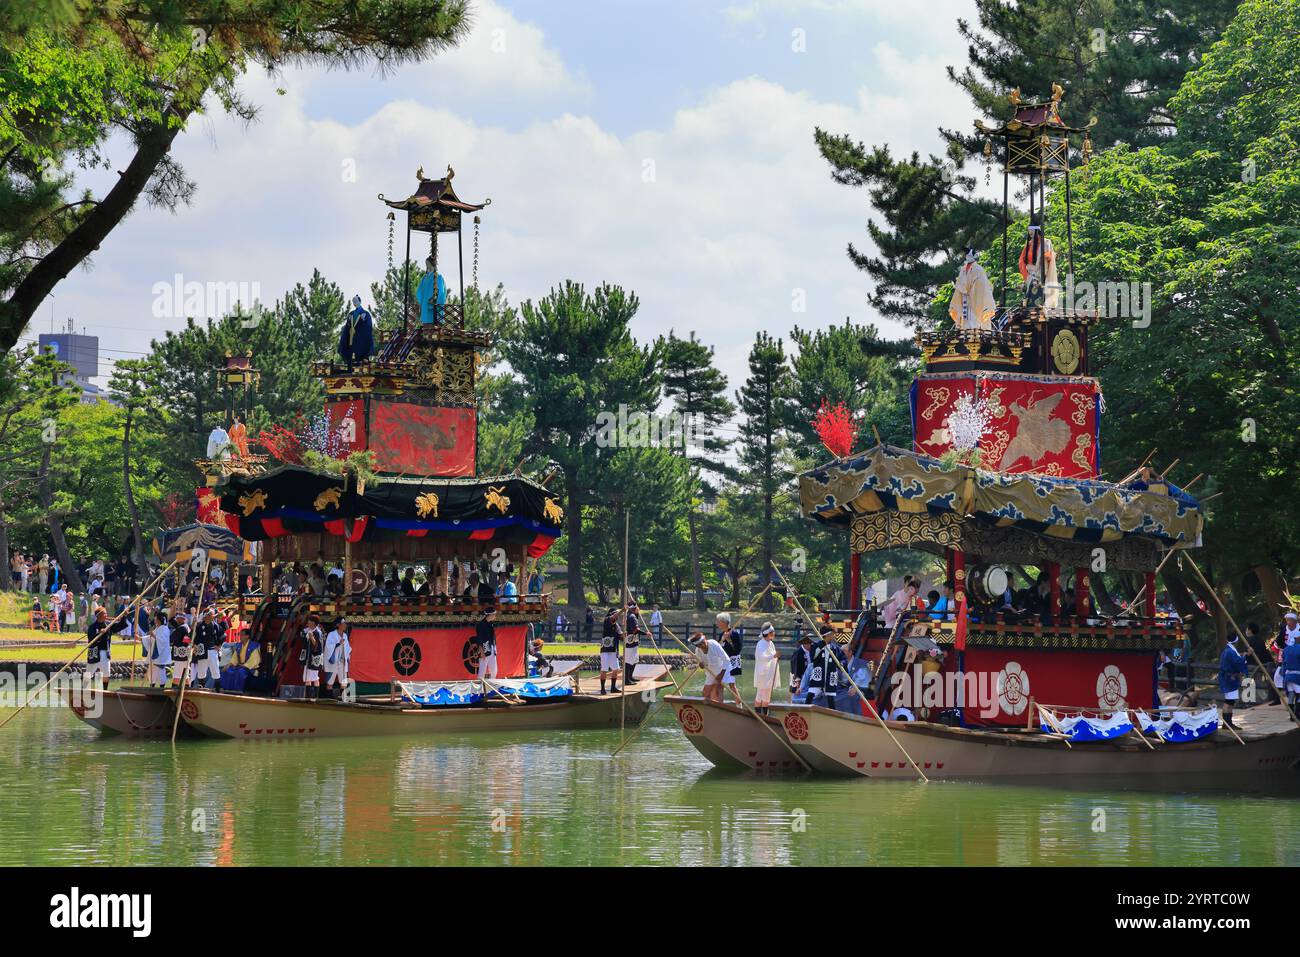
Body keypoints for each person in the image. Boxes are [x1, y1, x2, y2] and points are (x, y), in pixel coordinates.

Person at [85, 607, 127, 689]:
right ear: (99, 615)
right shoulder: (92, 627)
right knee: (89, 673)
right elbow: (90, 640)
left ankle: (105, 690)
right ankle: (84, 689)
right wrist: (99, 634)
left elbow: (120, 626)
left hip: (105, 653)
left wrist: (124, 616)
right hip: (94, 653)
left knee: (106, 673)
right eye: (105, 613)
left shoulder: (108, 624)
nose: (106, 615)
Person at [690, 631, 735, 705]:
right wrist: (701, 665)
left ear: (705, 639)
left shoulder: (714, 644)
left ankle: (720, 710)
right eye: (700, 645)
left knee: (717, 690)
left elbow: (727, 660)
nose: (703, 645)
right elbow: (703, 665)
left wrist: (721, 675)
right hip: (711, 672)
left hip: (723, 668)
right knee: (705, 692)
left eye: (703, 642)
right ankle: (709, 709)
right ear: (697, 646)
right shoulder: (698, 651)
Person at [1217, 633, 1249, 728]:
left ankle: (1228, 723)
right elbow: (1237, 662)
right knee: (1229, 701)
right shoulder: (1230, 652)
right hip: (1229, 679)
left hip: (1229, 678)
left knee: (1230, 701)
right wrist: (1246, 656)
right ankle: (1227, 724)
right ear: (1236, 641)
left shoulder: (1229, 650)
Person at [192, 607, 224, 690]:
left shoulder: (215, 625)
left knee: (215, 670)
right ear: (207, 616)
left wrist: (219, 645)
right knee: (201, 670)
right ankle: (200, 687)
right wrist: (193, 624)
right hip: (202, 651)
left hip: (212, 650)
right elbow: (192, 636)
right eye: (211, 614)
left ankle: (218, 689)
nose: (213, 615)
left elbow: (222, 636)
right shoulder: (199, 626)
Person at [753, 622, 781, 714]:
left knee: (767, 697)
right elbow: (762, 657)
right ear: (768, 633)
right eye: (772, 632)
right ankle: (757, 715)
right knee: (760, 695)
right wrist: (774, 655)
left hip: (770, 673)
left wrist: (776, 657)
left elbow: (773, 656)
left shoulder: (771, 643)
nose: (774, 634)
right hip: (763, 674)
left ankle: (765, 715)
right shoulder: (760, 643)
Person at [323, 617, 351, 699]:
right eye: (343, 623)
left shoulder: (345, 635)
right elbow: (328, 647)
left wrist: (348, 656)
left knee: (343, 682)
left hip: (342, 662)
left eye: (345, 623)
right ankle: (328, 699)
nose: (345, 625)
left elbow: (348, 648)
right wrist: (338, 644)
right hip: (333, 662)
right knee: (330, 682)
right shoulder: (331, 634)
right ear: (338, 625)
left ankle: (343, 699)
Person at [599, 606, 622, 695]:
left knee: (615, 669)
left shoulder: (617, 626)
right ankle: (602, 688)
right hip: (605, 649)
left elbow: (620, 636)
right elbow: (613, 617)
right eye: (615, 615)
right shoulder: (607, 620)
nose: (617, 617)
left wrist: (623, 635)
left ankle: (613, 687)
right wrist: (623, 610)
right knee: (604, 669)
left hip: (613, 649)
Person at [300, 614, 325, 699]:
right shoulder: (308, 630)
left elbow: (316, 645)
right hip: (308, 657)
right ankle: (308, 696)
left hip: (314, 658)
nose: (308, 623)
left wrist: (312, 638)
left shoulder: (318, 632)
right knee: (307, 677)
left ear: (313, 623)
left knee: (315, 677)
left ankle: (315, 697)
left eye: (309, 621)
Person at [624, 601, 648, 686]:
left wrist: (637, 613)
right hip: (631, 641)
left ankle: (630, 677)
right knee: (629, 661)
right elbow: (635, 630)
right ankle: (626, 680)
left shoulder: (631, 616)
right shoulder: (631, 617)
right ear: (634, 608)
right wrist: (646, 633)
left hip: (633, 641)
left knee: (634, 660)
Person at [146, 610, 172, 687]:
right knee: (152, 670)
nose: (155, 620)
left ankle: (161, 686)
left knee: (160, 671)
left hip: (161, 654)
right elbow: (151, 638)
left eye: (156, 618)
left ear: (159, 620)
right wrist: (141, 638)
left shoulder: (164, 628)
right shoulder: (158, 628)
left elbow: (163, 641)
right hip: (156, 653)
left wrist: (154, 636)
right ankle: (152, 685)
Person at [717, 611, 744, 683]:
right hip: (723, 661)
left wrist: (729, 640)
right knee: (720, 683)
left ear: (724, 622)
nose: (717, 624)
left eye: (719, 622)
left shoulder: (734, 634)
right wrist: (722, 640)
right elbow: (718, 647)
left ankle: (736, 695)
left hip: (732, 662)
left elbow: (737, 650)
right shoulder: (722, 634)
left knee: (731, 684)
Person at [474, 606, 498, 681]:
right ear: (490, 615)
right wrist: (481, 652)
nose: (495, 616)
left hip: (492, 648)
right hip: (484, 649)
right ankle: (479, 688)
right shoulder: (480, 625)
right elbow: (479, 639)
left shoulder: (491, 624)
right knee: (482, 671)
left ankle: (492, 685)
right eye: (494, 614)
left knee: (494, 671)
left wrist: (494, 648)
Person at [1283, 638, 1300, 711]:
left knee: (1291, 694)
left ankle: (1291, 715)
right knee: (1299, 695)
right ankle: (1297, 713)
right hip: (1297, 676)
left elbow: (1284, 661)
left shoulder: (1286, 649)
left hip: (1288, 675)